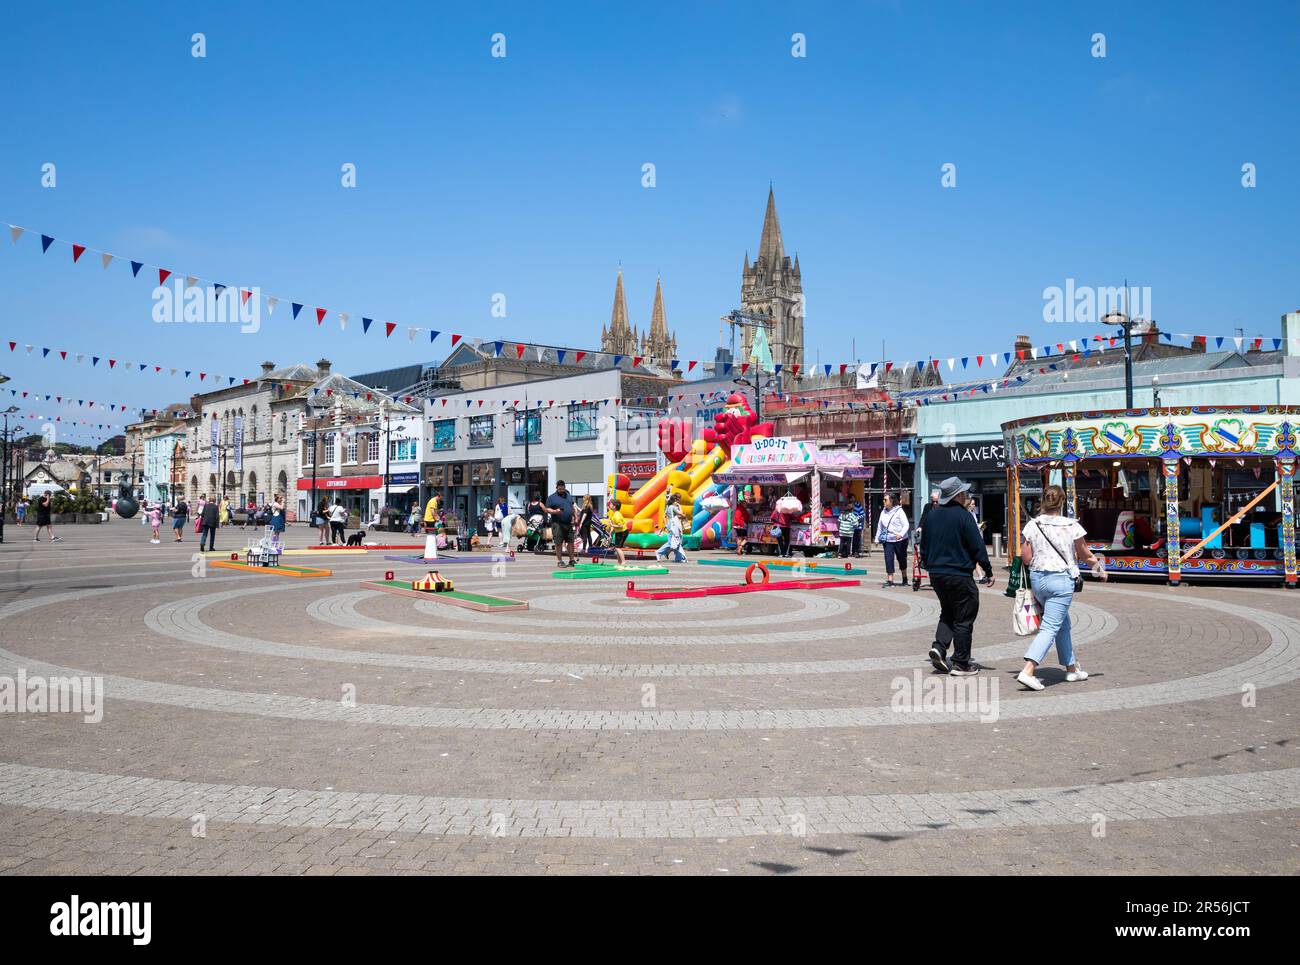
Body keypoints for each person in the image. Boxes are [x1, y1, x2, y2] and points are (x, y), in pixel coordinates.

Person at [1016, 484, 1107, 691]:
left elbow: (1026, 557)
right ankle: (1028, 670)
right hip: (1061, 581)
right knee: (1050, 627)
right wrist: (1099, 569)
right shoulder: (1071, 525)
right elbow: (1084, 554)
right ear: (1062, 502)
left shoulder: (1033, 525)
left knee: (1062, 623)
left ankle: (1072, 668)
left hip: (1038, 580)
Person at [920, 476, 994, 677]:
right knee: (964, 614)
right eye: (965, 493)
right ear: (959, 495)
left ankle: (940, 647)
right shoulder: (964, 516)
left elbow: (923, 546)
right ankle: (961, 663)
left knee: (948, 611)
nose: (966, 496)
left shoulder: (932, 516)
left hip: (937, 574)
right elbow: (977, 546)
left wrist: (929, 565)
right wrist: (988, 570)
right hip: (959, 574)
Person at [875, 494, 911, 588]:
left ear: (891, 501)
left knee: (901, 558)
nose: (883, 501)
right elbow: (880, 526)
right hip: (888, 539)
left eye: (885, 500)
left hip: (900, 540)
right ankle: (890, 580)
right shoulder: (883, 512)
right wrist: (876, 538)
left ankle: (905, 578)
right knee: (888, 559)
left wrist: (901, 534)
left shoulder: (899, 511)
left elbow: (906, 525)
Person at [544, 480, 577, 567]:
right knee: (558, 542)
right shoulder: (551, 497)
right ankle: (560, 560)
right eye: (560, 489)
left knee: (570, 542)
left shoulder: (568, 496)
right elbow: (547, 509)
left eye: (563, 489)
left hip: (568, 523)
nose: (562, 490)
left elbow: (572, 507)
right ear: (557, 488)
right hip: (557, 523)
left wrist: (576, 517)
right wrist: (555, 511)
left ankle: (572, 560)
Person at [656, 493, 688, 563]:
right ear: (676, 500)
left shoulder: (668, 506)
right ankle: (659, 552)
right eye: (678, 499)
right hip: (674, 525)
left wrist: (666, 524)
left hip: (670, 524)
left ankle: (678, 558)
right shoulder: (673, 507)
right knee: (672, 542)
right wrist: (680, 507)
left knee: (676, 541)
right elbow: (681, 513)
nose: (679, 501)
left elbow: (664, 516)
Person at [605, 498, 630, 567]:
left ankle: (623, 562)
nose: (609, 505)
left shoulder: (617, 515)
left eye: (611, 504)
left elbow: (620, 526)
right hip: (619, 532)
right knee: (616, 547)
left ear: (614, 506)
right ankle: (619, 562)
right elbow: (613, 527)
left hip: (623, 532)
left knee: (618, 548)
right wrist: (610, 535)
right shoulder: (614, 514)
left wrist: (612, 525)